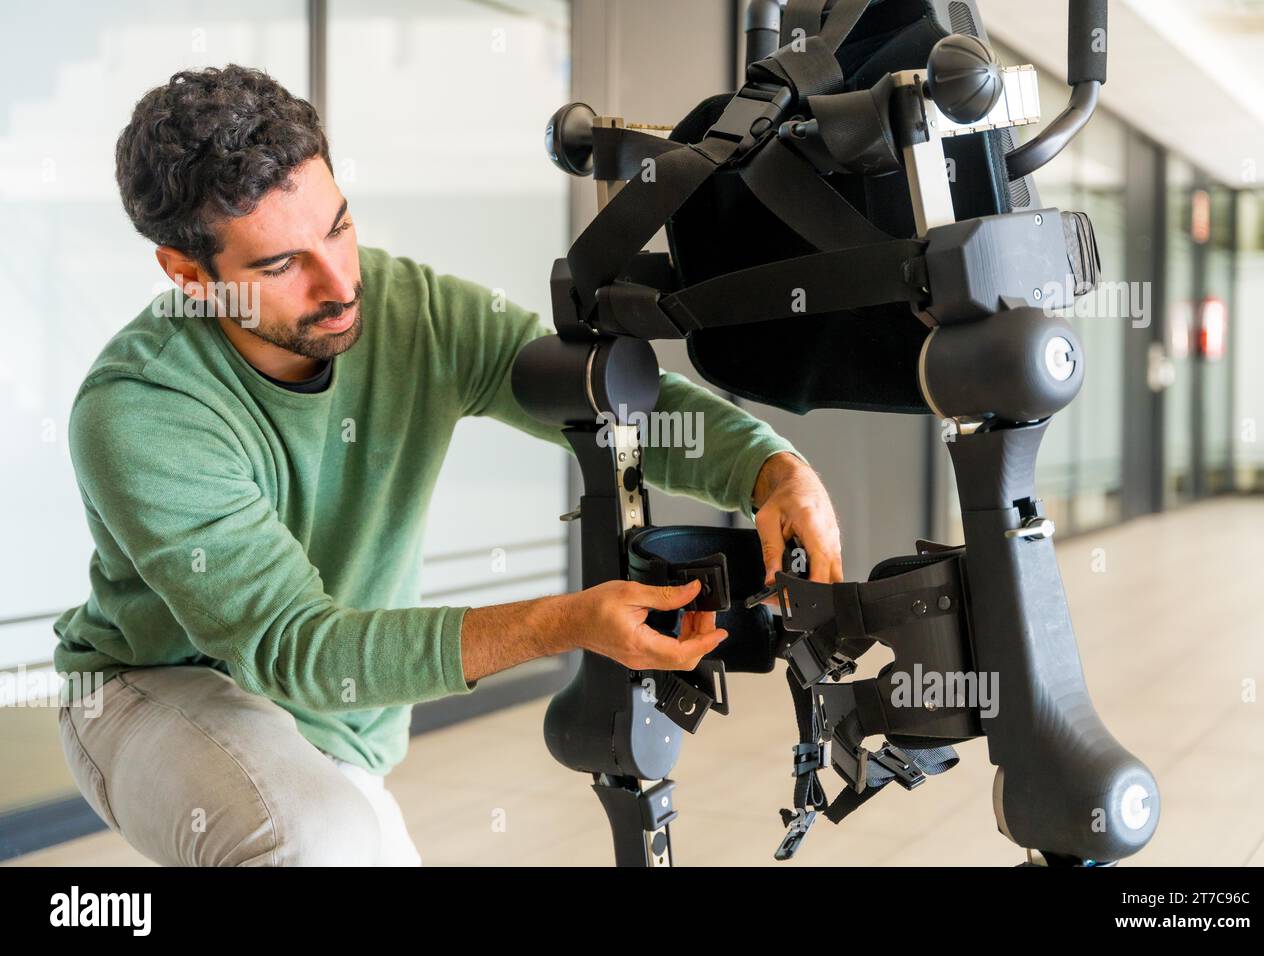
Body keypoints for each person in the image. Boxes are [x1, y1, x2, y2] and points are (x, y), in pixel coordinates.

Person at [53, 64, 844, 866]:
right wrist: (565, 624)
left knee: (337, 837)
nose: (339, 283)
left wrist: (769, 469)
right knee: (319, 844)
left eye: (338, 227)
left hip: (332, 725)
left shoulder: (407, 311)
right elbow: (299, 646)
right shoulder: (140, 408)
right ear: (189, 277)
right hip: (148, 690)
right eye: (280, 265)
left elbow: (596, 394)